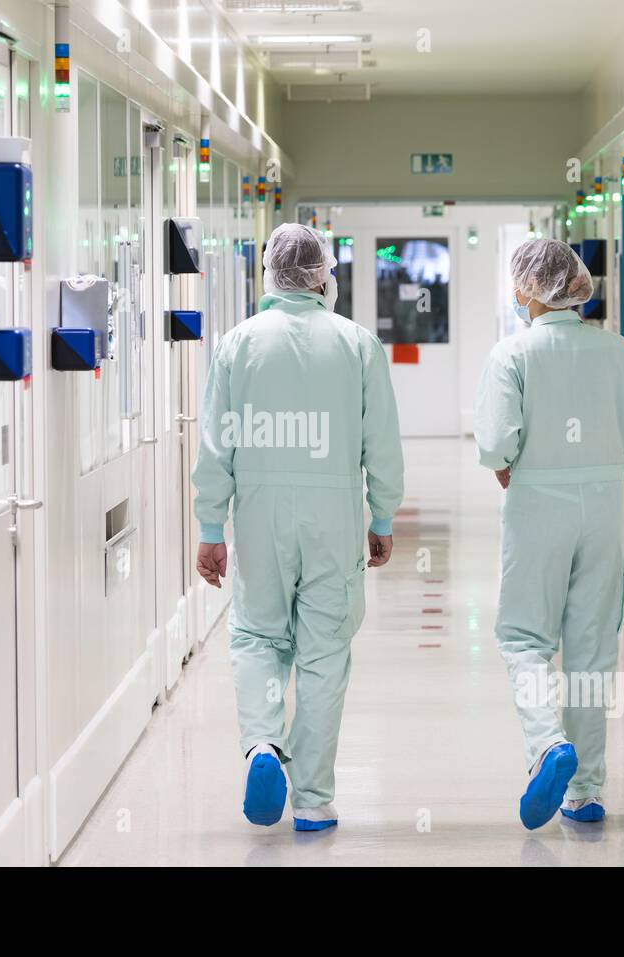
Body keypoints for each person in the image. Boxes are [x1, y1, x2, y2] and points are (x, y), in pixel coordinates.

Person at [192, 222, 404, 832]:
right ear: (321, 276)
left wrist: (212, 525)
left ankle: (261, 745)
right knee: (324, 653)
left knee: (257, 635)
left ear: (269, 274)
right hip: (334, 515)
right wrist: (381, 515)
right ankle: (311, 799)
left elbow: (216, 446)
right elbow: (381, 444)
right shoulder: (358, 344)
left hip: (258, 513)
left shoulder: (237, 345)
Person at [474, 238, 624, 829]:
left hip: (536, 504)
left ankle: (547, 745)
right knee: (591, 650)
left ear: (529, 290)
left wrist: (517, 462)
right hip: (606, 509)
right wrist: (602, 459)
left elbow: (494, 444)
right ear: (576, 287)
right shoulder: (615, 350)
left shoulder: (512, 355)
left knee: (526, 637)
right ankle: (585, 791)